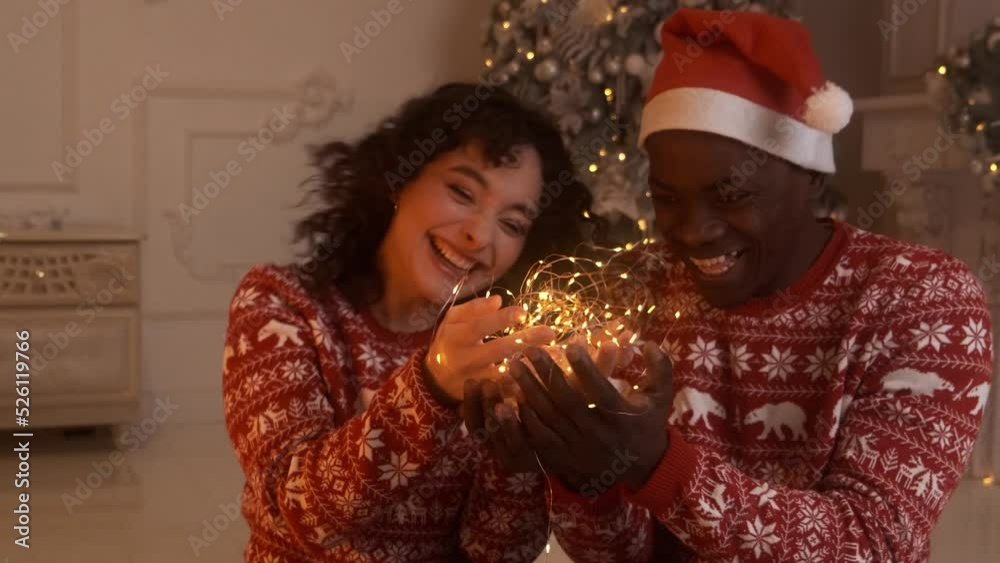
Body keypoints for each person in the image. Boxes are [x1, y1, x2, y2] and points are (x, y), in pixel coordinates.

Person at [466, 9, 995, 562]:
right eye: (667, 197)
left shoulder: (922, 300)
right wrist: (582, 473)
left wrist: (657, 463)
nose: (693, 231)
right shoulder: (636, 288)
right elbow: (616, 556)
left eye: (732, 195)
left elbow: (873, 544)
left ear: (811, 175)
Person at [221, 82, 597, 562]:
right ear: (400, 179)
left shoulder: (501, 356)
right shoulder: (282, 306)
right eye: (462, 192)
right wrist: (431, 387)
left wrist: (517, 463)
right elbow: (297, 514)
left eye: (513, 224)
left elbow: (492, 554)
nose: (479, 236)